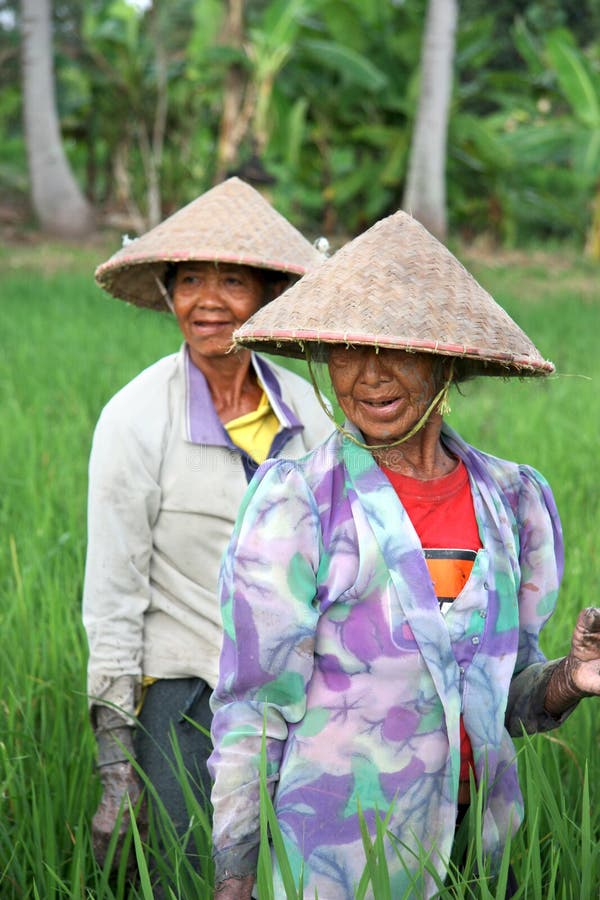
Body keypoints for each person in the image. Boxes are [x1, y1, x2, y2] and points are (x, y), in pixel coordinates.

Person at [207, 210, 600, 899]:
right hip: (337, 860)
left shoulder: (512, 502)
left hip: (478, 854)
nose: (371, 376)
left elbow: (500, 700)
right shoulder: (299, 503)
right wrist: (235, 872)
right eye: (349, 350)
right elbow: (253, 706)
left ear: (447, 359)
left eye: (400, 349)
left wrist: (569, 677)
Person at [82, 177, 334, 879]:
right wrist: (114, 769)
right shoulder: (136, 419)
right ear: (168, 292)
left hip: (301, 694)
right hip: (187, 695)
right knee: (189, 873)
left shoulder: (309, 413)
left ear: (267, 296)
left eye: (232, 280)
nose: (209, 301)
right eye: (190, 279)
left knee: (293, 876)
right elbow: (112, 595)